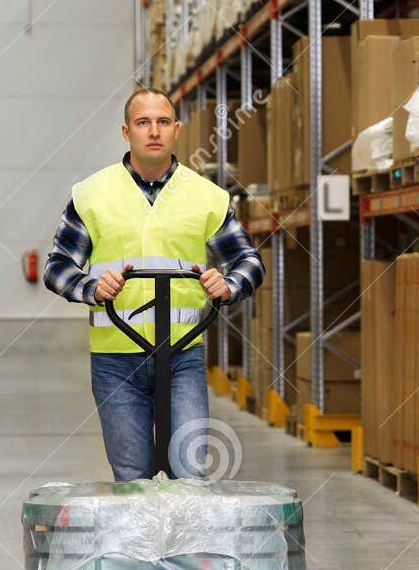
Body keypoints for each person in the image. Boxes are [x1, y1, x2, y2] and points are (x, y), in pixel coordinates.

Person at [45, 87, 263, 480]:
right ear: (126, 132)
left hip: (182, 356)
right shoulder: (91, 195)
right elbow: (58, 267)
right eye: (143, 123)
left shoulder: (207, 196)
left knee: (191, 472)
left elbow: (248, 261)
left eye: (163, 122)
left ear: (177, 130)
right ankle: (137, 545)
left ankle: (186, 545)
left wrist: (228, 285)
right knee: (132, 477)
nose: (154, 131)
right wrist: (91, 287)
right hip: (115, 360)